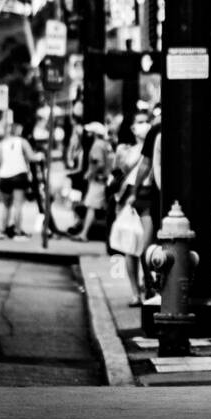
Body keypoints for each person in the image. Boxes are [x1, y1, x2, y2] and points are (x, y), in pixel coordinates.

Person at [113, 108, 155, 305]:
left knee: (145, 246)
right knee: (130, 248)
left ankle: (149, 285)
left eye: (145, 121)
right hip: (129, 198)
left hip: (147, 197)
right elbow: (119, 172)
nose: (143, 125)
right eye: (139, 122)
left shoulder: (155, 143)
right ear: (131, 127)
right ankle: (135, 292)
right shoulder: (125, 150)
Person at [69, 121, 111, 242]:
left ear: (94, 133)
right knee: (95, 206)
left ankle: (84, 233)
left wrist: (90, 173)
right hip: (102, 179)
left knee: (91, 206)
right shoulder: (104, 144)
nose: (88, 134)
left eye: (90, 132)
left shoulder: (97, 145)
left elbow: (99, 163)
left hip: (98, 180)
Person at [0, 122, 38, 239]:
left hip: (4, 176)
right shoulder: (23, 142)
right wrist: (40, 156)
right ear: (19, 131)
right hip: (19, 175)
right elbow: (32, 157)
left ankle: (2, 231)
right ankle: (18, 232)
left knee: (6, 206)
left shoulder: (3, 143)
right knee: (18, 205)